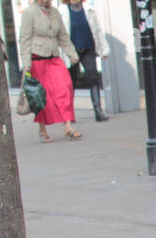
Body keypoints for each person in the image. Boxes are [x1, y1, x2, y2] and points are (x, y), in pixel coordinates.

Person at [18, 0, 81, 142]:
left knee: (65, 88)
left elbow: (63, 36)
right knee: (41, 96)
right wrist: (26, 63)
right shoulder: (29, 13)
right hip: (37, 60)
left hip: (54, 58)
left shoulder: (55, 12)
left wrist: (72, 55)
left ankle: (68, 126)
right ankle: (42, 129)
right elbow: (25, 39)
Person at [64, 0, 108, 122]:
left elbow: (97, 30)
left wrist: (103, 49)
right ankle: (69, 115)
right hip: (71, 51)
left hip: (88, 49)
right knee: (71, 82)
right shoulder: (64, 11)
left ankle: (98, 111)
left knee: (93, 78)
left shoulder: (88, 9)